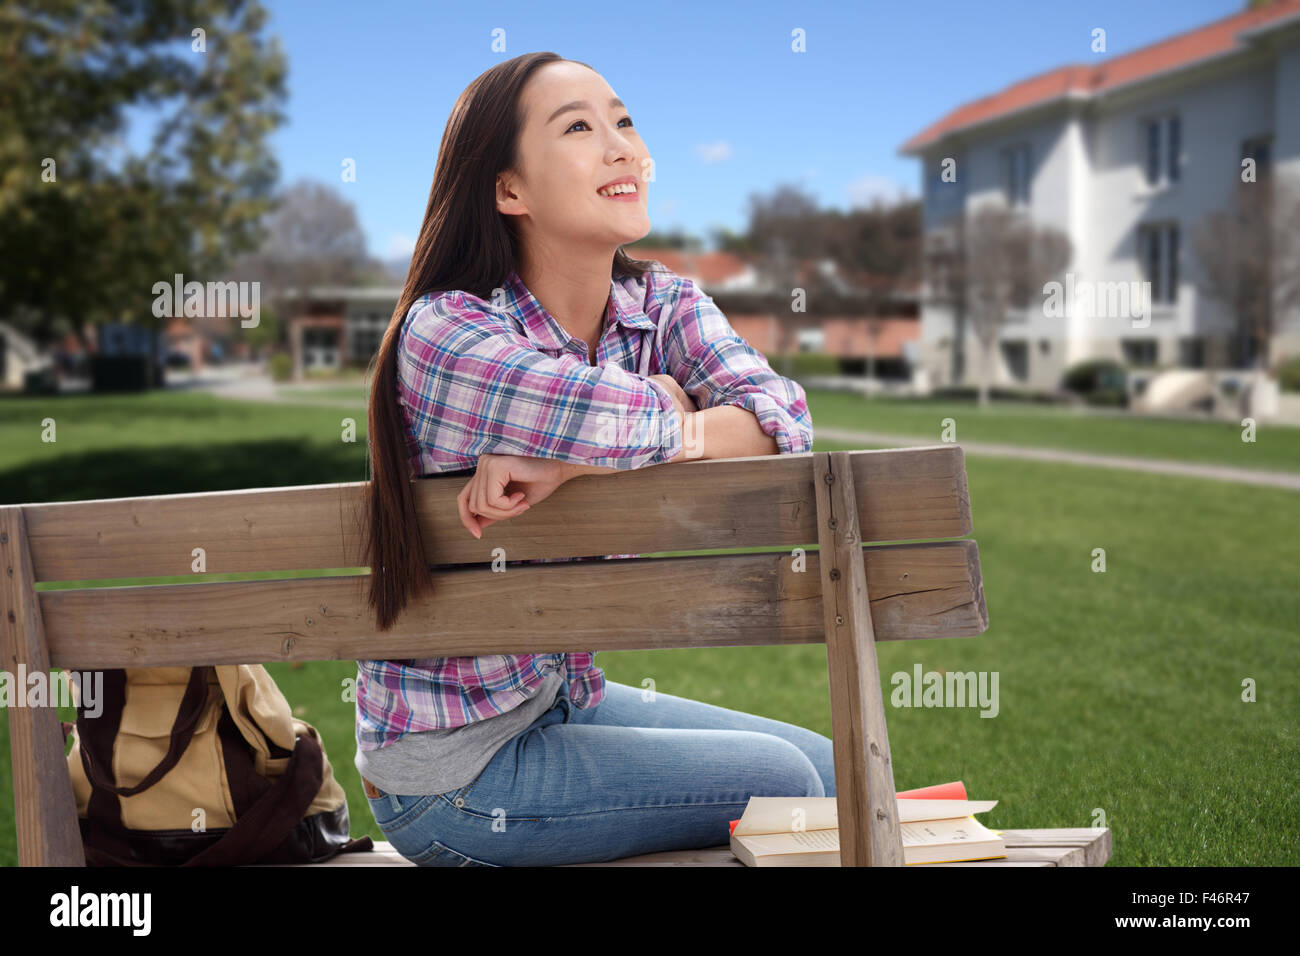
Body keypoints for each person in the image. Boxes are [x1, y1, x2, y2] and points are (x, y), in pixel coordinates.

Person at [356, 51, 829, 866]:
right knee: (787, 779)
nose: (621, 147)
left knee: (827, 763)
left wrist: (575, 466)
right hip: (454, 775)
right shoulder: (448, 333)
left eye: (624, 120)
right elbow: (597, 413)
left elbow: (784, 419)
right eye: (579, 127)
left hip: (556, 702)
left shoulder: (664, 305)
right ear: (510, 190)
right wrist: (681, 411)